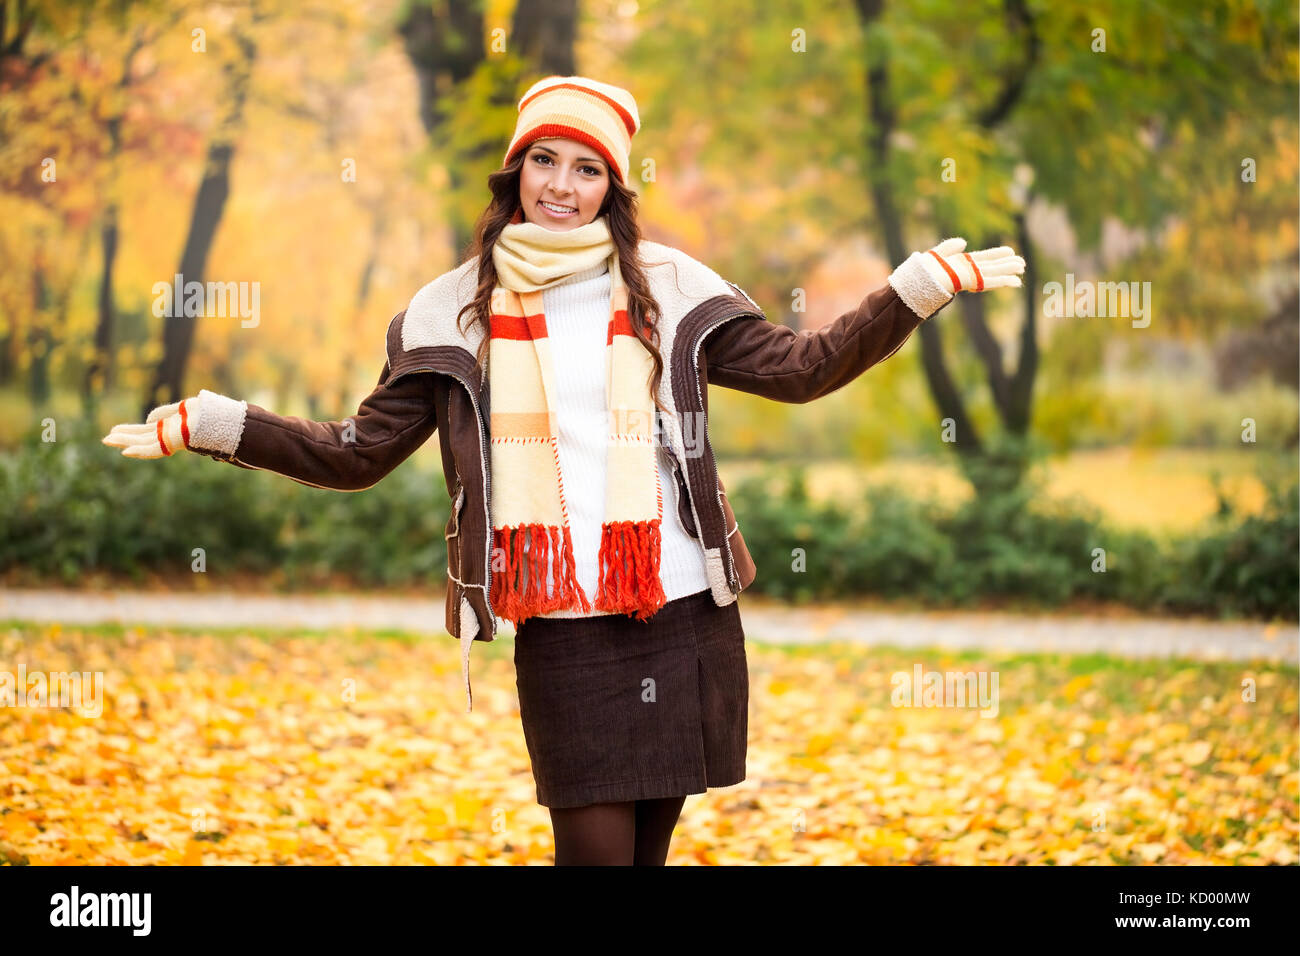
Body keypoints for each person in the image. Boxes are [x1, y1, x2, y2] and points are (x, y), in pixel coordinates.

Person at [103, 75, 1025, 865]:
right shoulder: (448, 314)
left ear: (611, 189)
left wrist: (919, 287)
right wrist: (216, 424)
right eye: (546, 160)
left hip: (679, 608)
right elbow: (355, 455)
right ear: (515, 171)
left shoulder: (669, 286)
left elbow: (804, 368)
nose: (562, 185)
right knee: (591, 854)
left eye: (588, 170)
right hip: (562, 624)